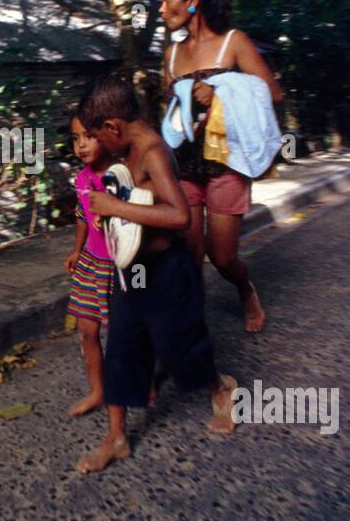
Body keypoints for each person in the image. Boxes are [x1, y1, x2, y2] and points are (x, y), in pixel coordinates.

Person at [74, 75, 236, 474]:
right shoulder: (125, 149)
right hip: (133, 269)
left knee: (180, 348)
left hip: (166, 270)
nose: (100, 145)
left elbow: (179, 215)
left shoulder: (152, 152)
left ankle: (220, 387)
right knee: (122, 347)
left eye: (99, 136)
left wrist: (114, 208)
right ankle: (117, 438)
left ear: (113, 127)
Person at [159, 0, 284, 333]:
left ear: (192, 2)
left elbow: (272, 94)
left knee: (223, 256)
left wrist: (223, 90)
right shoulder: (170, 55)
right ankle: (191, 338)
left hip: (226, 164)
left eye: (167, 1)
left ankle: (245, 289)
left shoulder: (234, 42)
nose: (161, 10)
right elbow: (173, 113)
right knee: (190, 255)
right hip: (183, 166)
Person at [64, 113, 117, 417]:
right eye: (75, 138)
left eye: (88, 136)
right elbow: (82, 215)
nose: (81, 145)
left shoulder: (120, 175)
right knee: (87, 330)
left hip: (119, 266)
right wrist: (76, 249)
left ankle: (145, 376)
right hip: (91, 262)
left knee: (127, 331)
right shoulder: (83, 177)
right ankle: (98, 391)